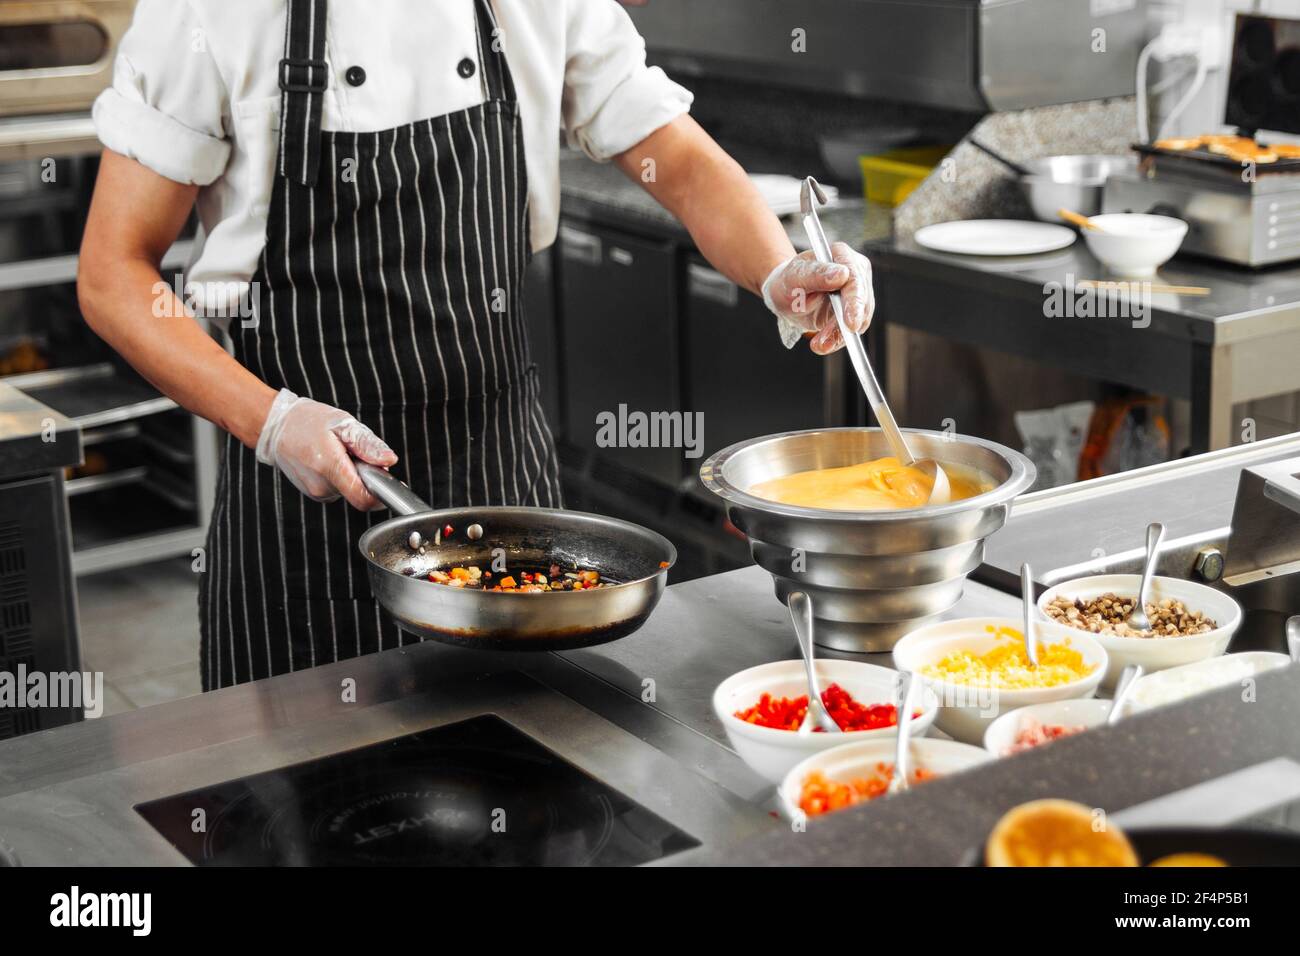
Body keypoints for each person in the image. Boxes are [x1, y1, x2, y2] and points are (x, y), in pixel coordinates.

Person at [77, 0, 876, 689]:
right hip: (298, 518)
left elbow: (682, 163)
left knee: (532, 805)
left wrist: (781, 268)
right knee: (293, 815)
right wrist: (274, 420)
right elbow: (114, 275)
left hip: (504, 491)